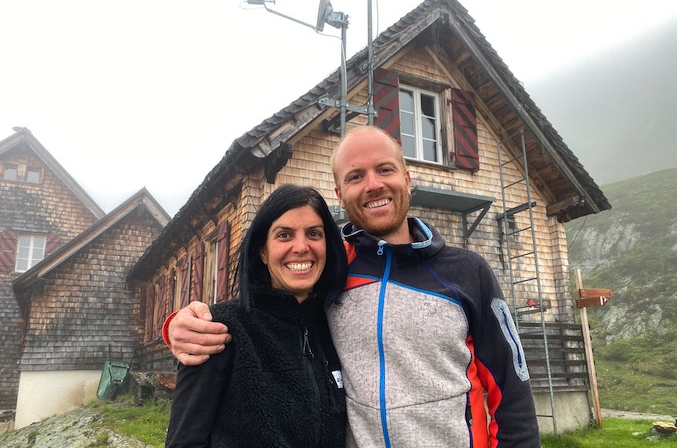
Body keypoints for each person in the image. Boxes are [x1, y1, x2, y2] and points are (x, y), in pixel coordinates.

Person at [164, 126, 541, 447]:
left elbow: (512, 390)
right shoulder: (331, 270)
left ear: (407, 179)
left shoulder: (467, 272)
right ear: (340, 194)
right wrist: (179, 325)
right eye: (356, 176)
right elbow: (272, 311)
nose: (373, 185)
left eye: (385, 169)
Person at [165, 184, 347, 447]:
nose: (301, 246)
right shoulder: (219, 329)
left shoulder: (334, 328)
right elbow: (185, 441)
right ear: (262, 251)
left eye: (314, 234)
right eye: (284, 235)